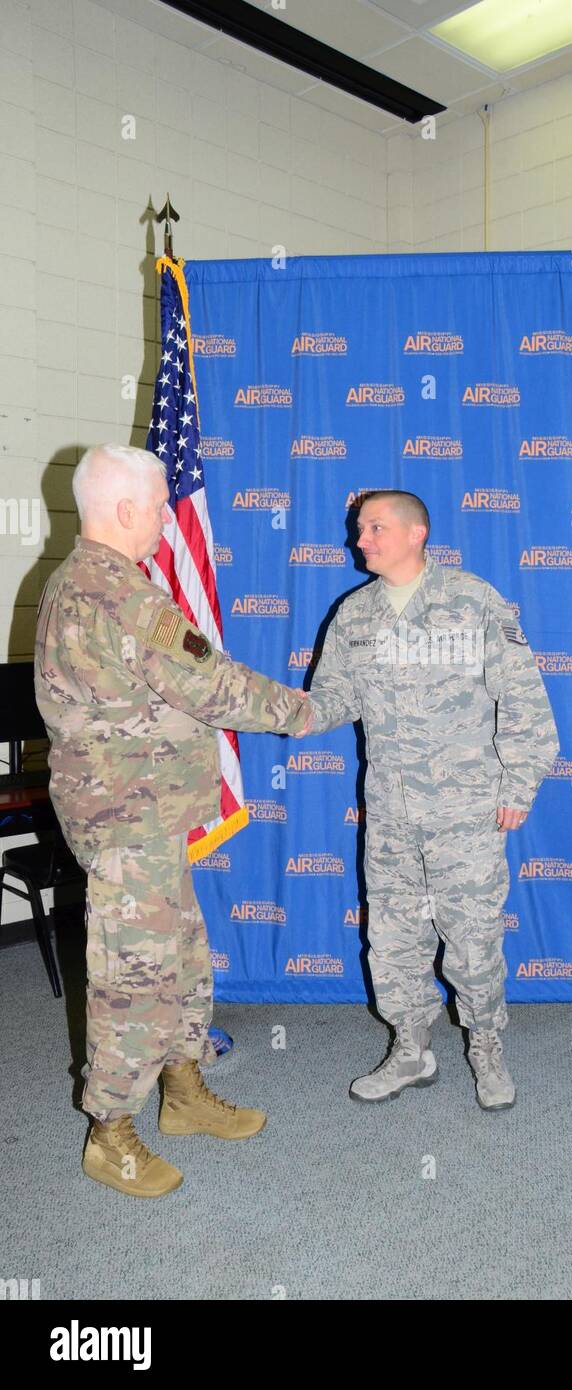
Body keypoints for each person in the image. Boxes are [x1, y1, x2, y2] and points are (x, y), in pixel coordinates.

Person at [34, 444, 308, 1199]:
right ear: (125, 510)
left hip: (143, 812)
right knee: (133, 976)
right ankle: (110, 1133)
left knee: (180, 954)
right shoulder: (118, 596)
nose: (164, 520)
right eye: (158, 507)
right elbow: (212, 685)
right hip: (128, 818)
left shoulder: (94, 583)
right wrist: (310, 711)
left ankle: (183, 1092)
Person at [299, 490, 559, 1110]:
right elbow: (332, 697)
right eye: (360, 528)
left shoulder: (474, 601)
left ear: (417, 532)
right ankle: (410, 1048)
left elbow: (523, 698)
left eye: (374, 527)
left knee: (472, 938)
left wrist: (518, 785)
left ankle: (486, 1050)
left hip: (465, 811)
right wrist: (279, 710)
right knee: (393, 938)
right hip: (390, 812)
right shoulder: (355, 615)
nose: (360, 539)